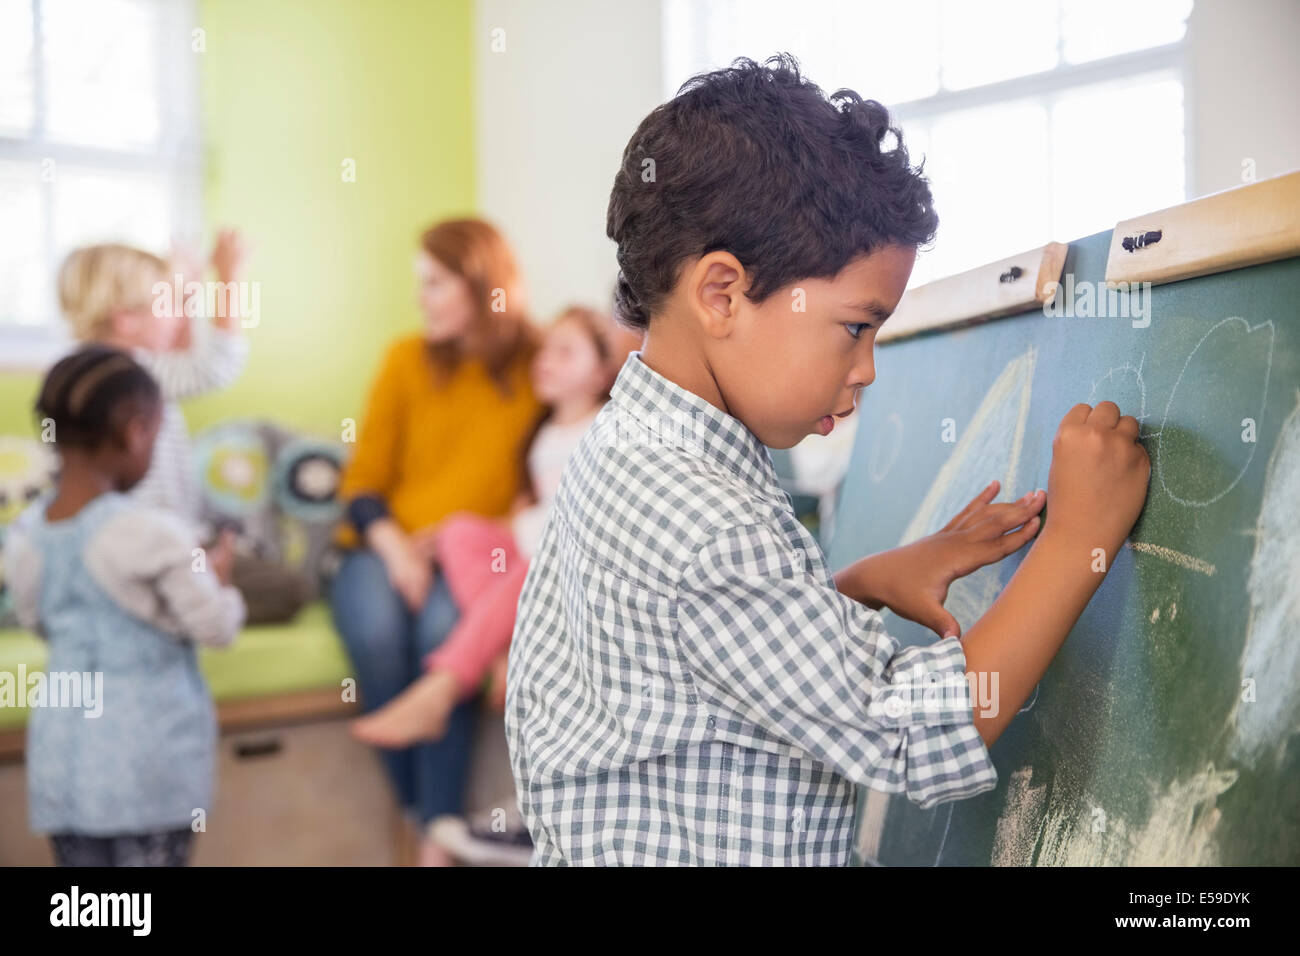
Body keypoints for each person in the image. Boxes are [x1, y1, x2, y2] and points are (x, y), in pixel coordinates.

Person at [505, 54, 1151, 865]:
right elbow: (914, 733)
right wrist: (1073, 544)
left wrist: (857, 582)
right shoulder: (705, 521)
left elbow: (696, 655)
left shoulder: (632, 446)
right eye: (856, 327)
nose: (869, 368)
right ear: (722, 294)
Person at [329, 218, 545, 866]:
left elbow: (545, 482)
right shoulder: (405, 359)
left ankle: (434, 833)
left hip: (473, 553)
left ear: (481, 283)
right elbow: (362, 483)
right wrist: (396, 548)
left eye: (434, 284)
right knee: (377, 636)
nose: (422, 299)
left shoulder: (540, 365)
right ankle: (433, 823)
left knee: (441, 637)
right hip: (377, 546)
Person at [4, 346, 245, 866]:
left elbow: (36, 619)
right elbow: (215, 627)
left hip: (62, 773)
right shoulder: (148, 533)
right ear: (136, 431)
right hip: (146, 773)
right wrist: (219, 582)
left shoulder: (28, 536)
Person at [58, 234, 308, 624]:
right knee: (290, 589)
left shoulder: (87, 370)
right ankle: (171, 608)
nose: (177, 318)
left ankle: (147, 603)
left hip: (129, 545)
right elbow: (215, 365)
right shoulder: (134, 372)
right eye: (169, 305)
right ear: (125, 319)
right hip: (158, 547)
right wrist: (228, 277)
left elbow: (179, 355)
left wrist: (187, 296)